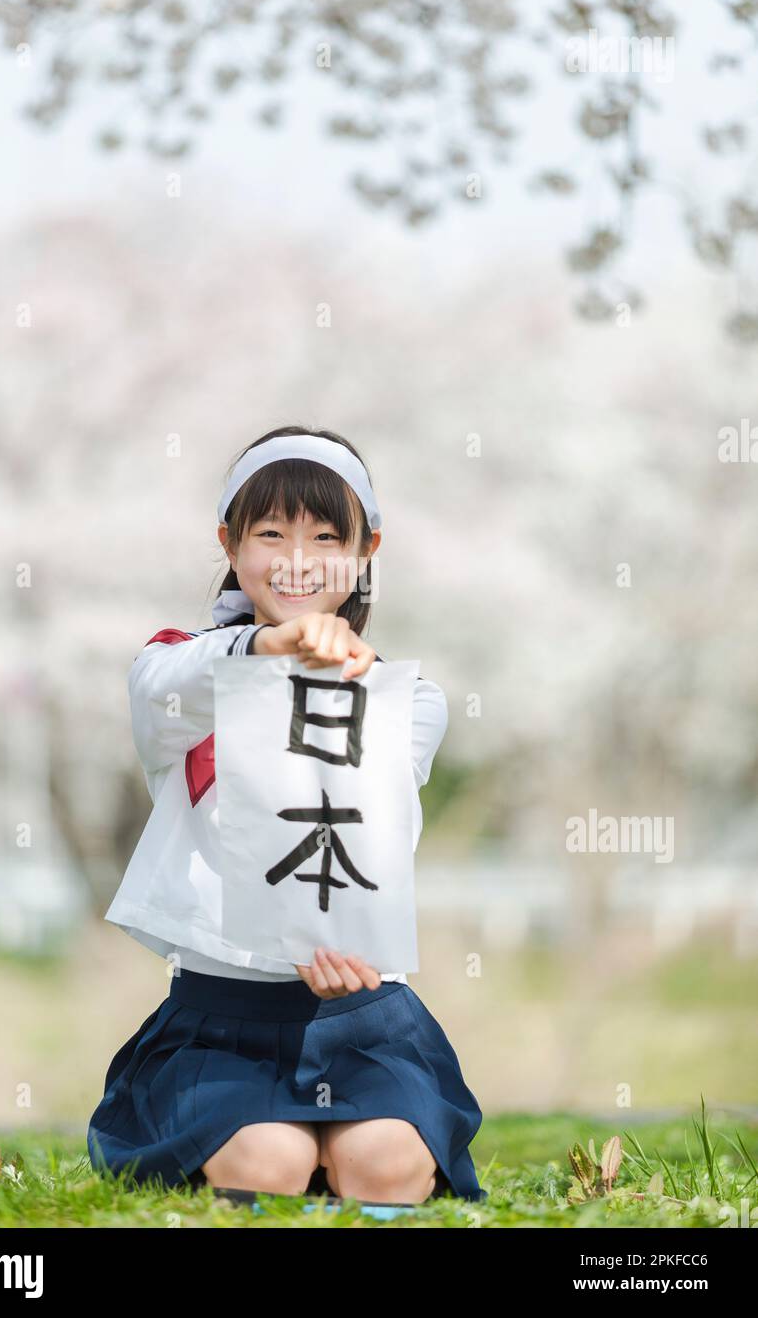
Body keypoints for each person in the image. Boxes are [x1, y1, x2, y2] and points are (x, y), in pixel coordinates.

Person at [87, 425, 487, 1205]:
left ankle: (342, 1178)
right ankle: (291, 1174)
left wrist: (347, 945)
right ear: (230, 546)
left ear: (367, 549)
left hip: (365, 1019)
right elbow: (162, 691)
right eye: (271, 533)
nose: (297, 557)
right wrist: (268, 648)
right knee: (266, 1162)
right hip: (220, 1021)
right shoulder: (182, 672)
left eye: (326, 534)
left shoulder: (409, 703)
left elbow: (376, 841)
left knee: (387, 1166)